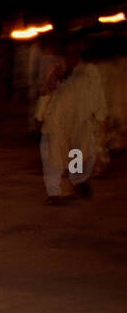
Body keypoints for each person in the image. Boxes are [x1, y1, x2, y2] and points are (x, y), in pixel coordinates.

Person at [38, 39, 107, 204]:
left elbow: (97, 94)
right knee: (55, 156)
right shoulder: (55, 68)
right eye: (67, 52)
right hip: (57, 121)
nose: (70, 56)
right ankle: (57, 193)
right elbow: (46, 92)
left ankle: (75, 185)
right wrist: (39, 116)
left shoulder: (89, 71)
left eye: (74, 52)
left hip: (80, 121)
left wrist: (100, 116)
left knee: (75, 155)